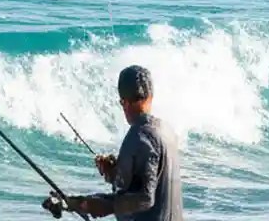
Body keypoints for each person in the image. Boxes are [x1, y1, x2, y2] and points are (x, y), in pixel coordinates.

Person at [49, 65, 183, 220]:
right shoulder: (167, 131)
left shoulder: (139, 135)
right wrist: (115, 172)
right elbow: (146, 182)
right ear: (150, 96)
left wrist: (83, 204)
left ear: (125, 103)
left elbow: (144, 198)